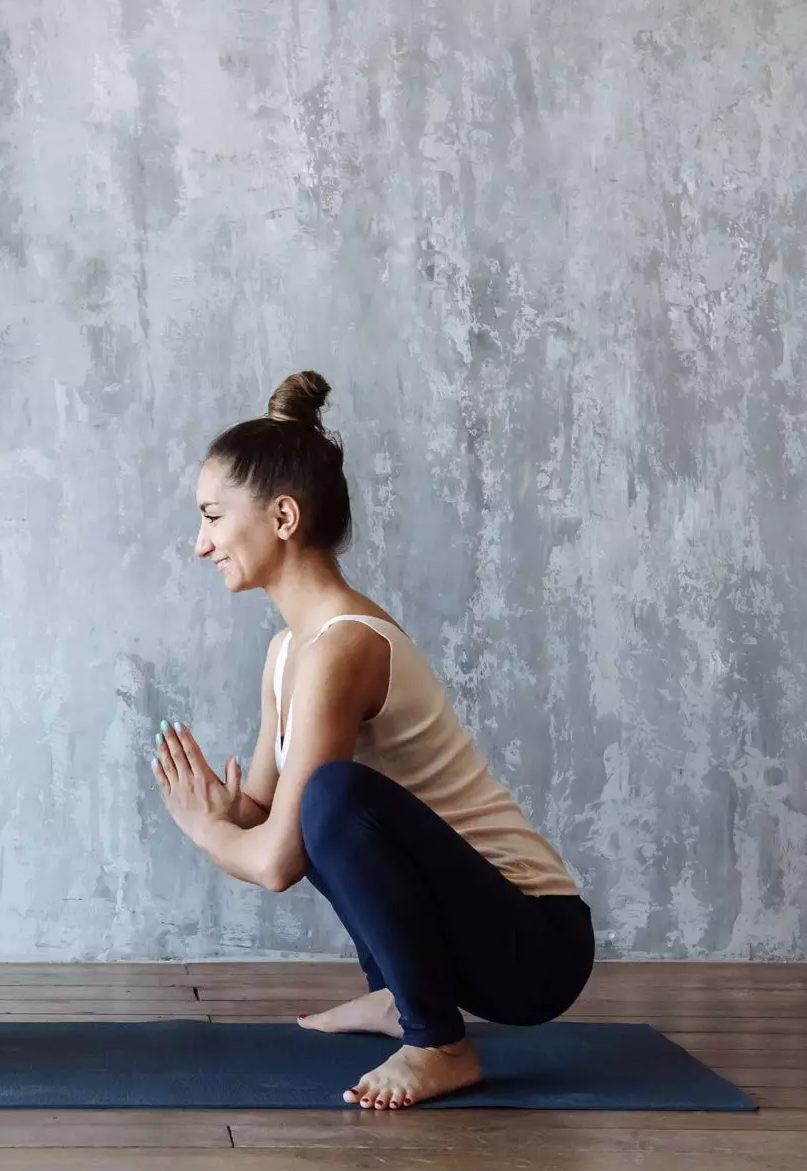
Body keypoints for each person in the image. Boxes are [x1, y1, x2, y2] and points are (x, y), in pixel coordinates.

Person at [150, 371, 592, 1108]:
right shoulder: (289, 651)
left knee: (330, 796)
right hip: (479, 934)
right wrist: (229, 808)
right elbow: (265, 812)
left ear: (283, 516)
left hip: (537, 944)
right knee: (317, 797)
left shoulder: (342, 648)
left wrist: (206, 831)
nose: (202, 544)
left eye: (214, 517)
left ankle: (438, 1042)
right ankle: (398, 995)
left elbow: (277, 862)